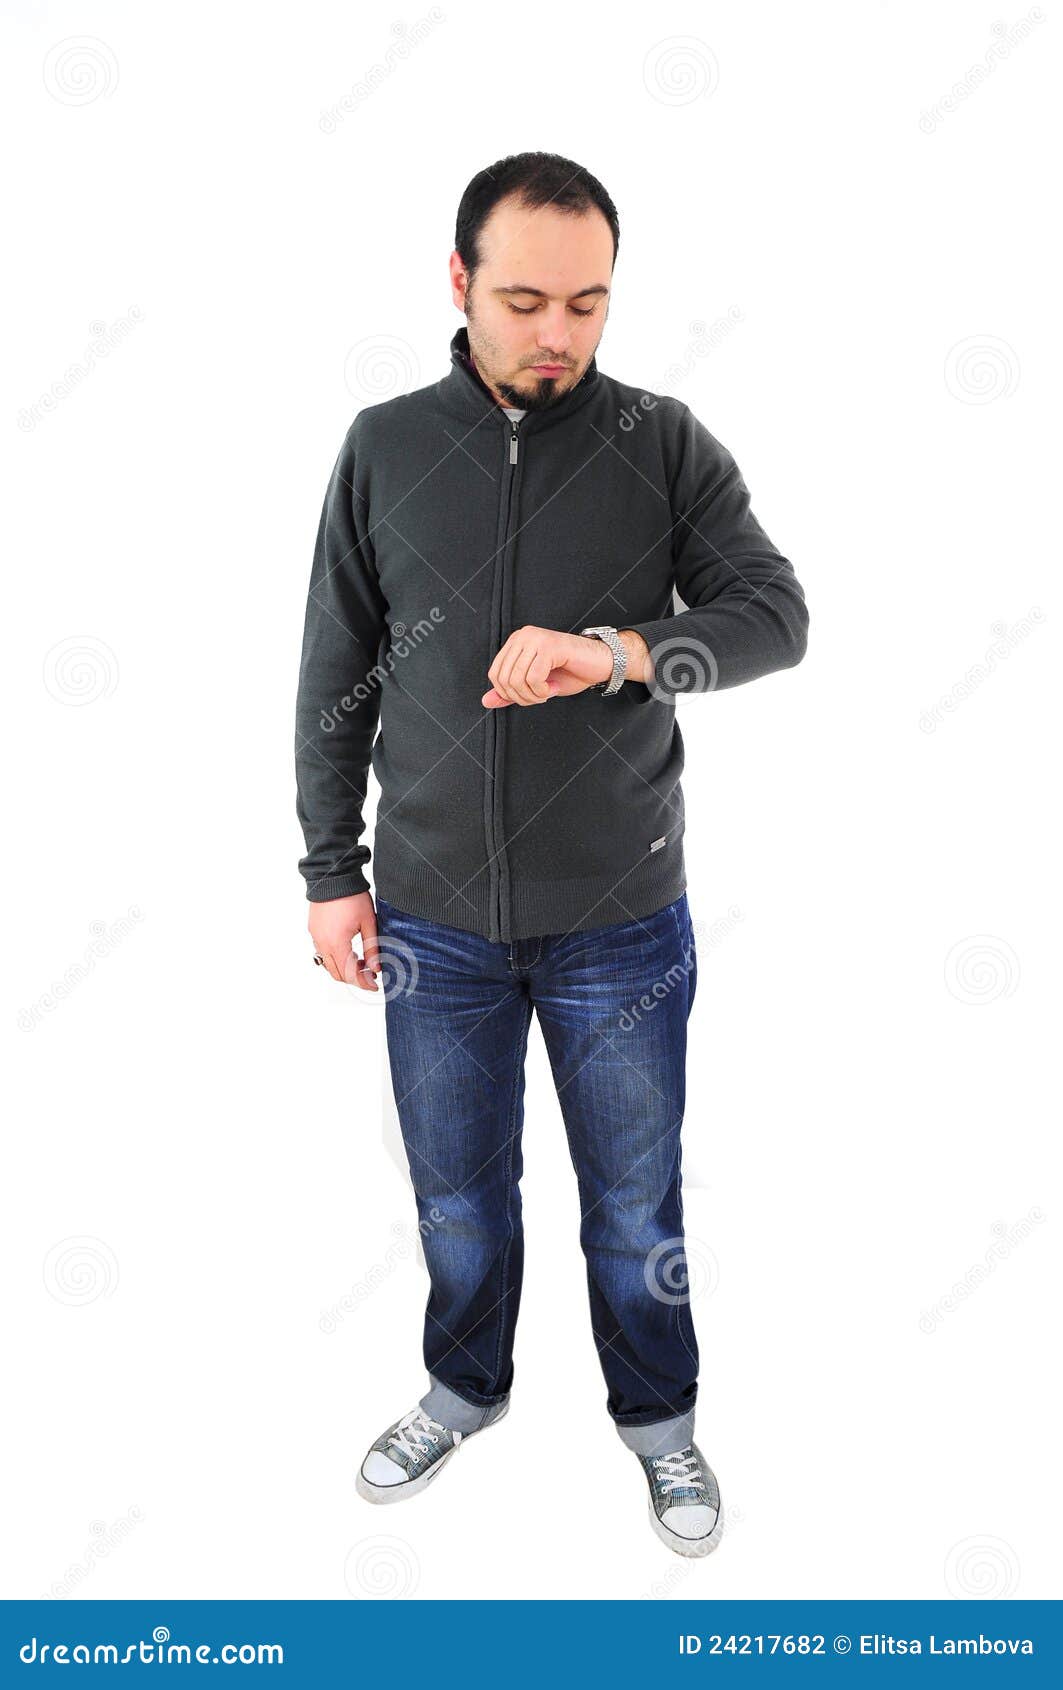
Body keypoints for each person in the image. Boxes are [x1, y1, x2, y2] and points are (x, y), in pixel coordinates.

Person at [294, 151, 809, 1558]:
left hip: (620, 918)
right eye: (524, 300)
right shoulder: (385, 445)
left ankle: (659, 1422)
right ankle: (464, 1388)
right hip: (431, 916)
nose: (557, 334)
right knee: (458, 1195)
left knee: (634, 1202)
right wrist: (331, 872)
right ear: (459, 282)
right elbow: (333, 671)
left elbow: (776, 618)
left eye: (588, 303)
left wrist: (621, 653)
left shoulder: (663, 442)